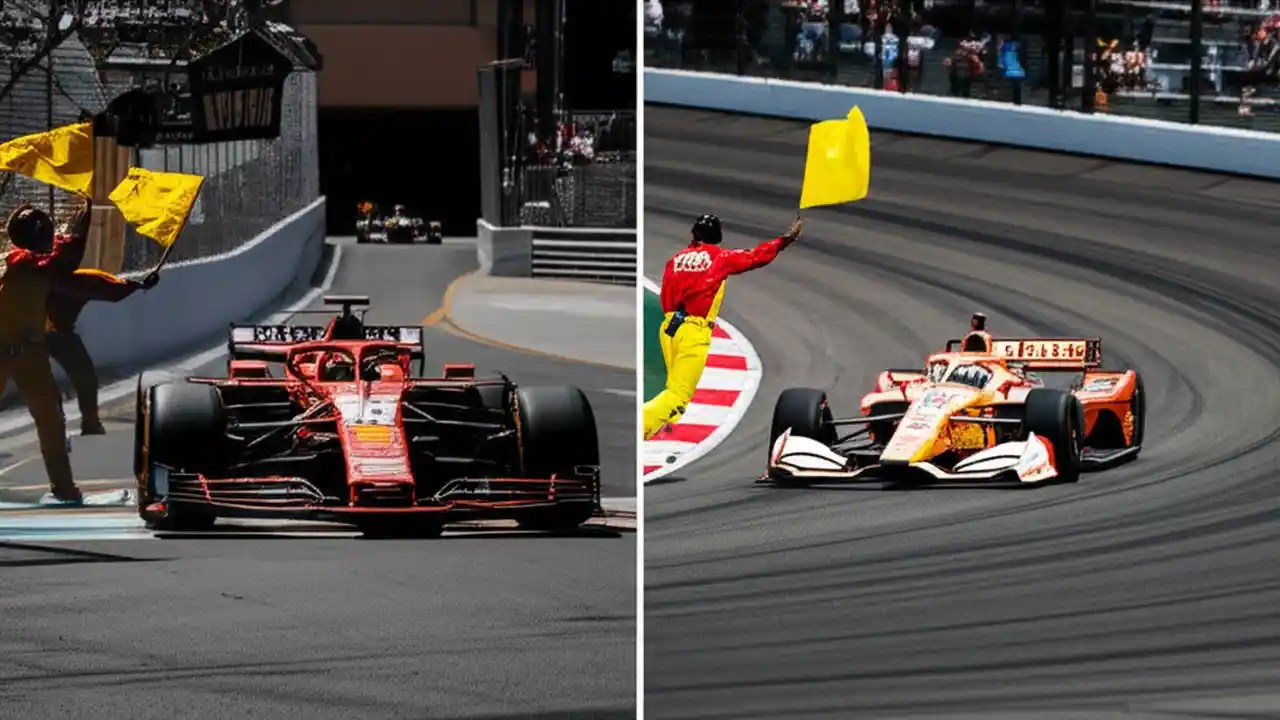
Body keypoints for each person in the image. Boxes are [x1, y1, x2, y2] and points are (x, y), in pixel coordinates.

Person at [2, 198, 157, 504]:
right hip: (22, 354)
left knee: (52, 423)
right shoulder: (34, 267)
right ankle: (63, 490)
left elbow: (84, 279)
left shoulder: (28, 267)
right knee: (51, 423)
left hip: (29, 354)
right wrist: (129, 285)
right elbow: (77, 269)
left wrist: (129, 285)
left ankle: (64, 489)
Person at [642, 214, 803, 440]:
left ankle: (651, 432)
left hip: (669, 328)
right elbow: (756, 256)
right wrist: (784, 241)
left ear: (693, 233)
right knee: (678, 396)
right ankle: (640, 427)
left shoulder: (675, 259)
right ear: (717, 238)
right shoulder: (719, 257)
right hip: (694, 330)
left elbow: (666, 296)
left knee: (672, 391)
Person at [45, 234, 158, 435]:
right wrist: (139, 285)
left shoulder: (75, 279)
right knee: (78, 378)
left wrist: (139, 284)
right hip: (43, 335)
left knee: (80, 378)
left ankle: (82, 422)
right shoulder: (77, 281)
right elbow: (112, 290)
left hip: (41, 335)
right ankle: (83, 423)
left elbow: (112, 288)